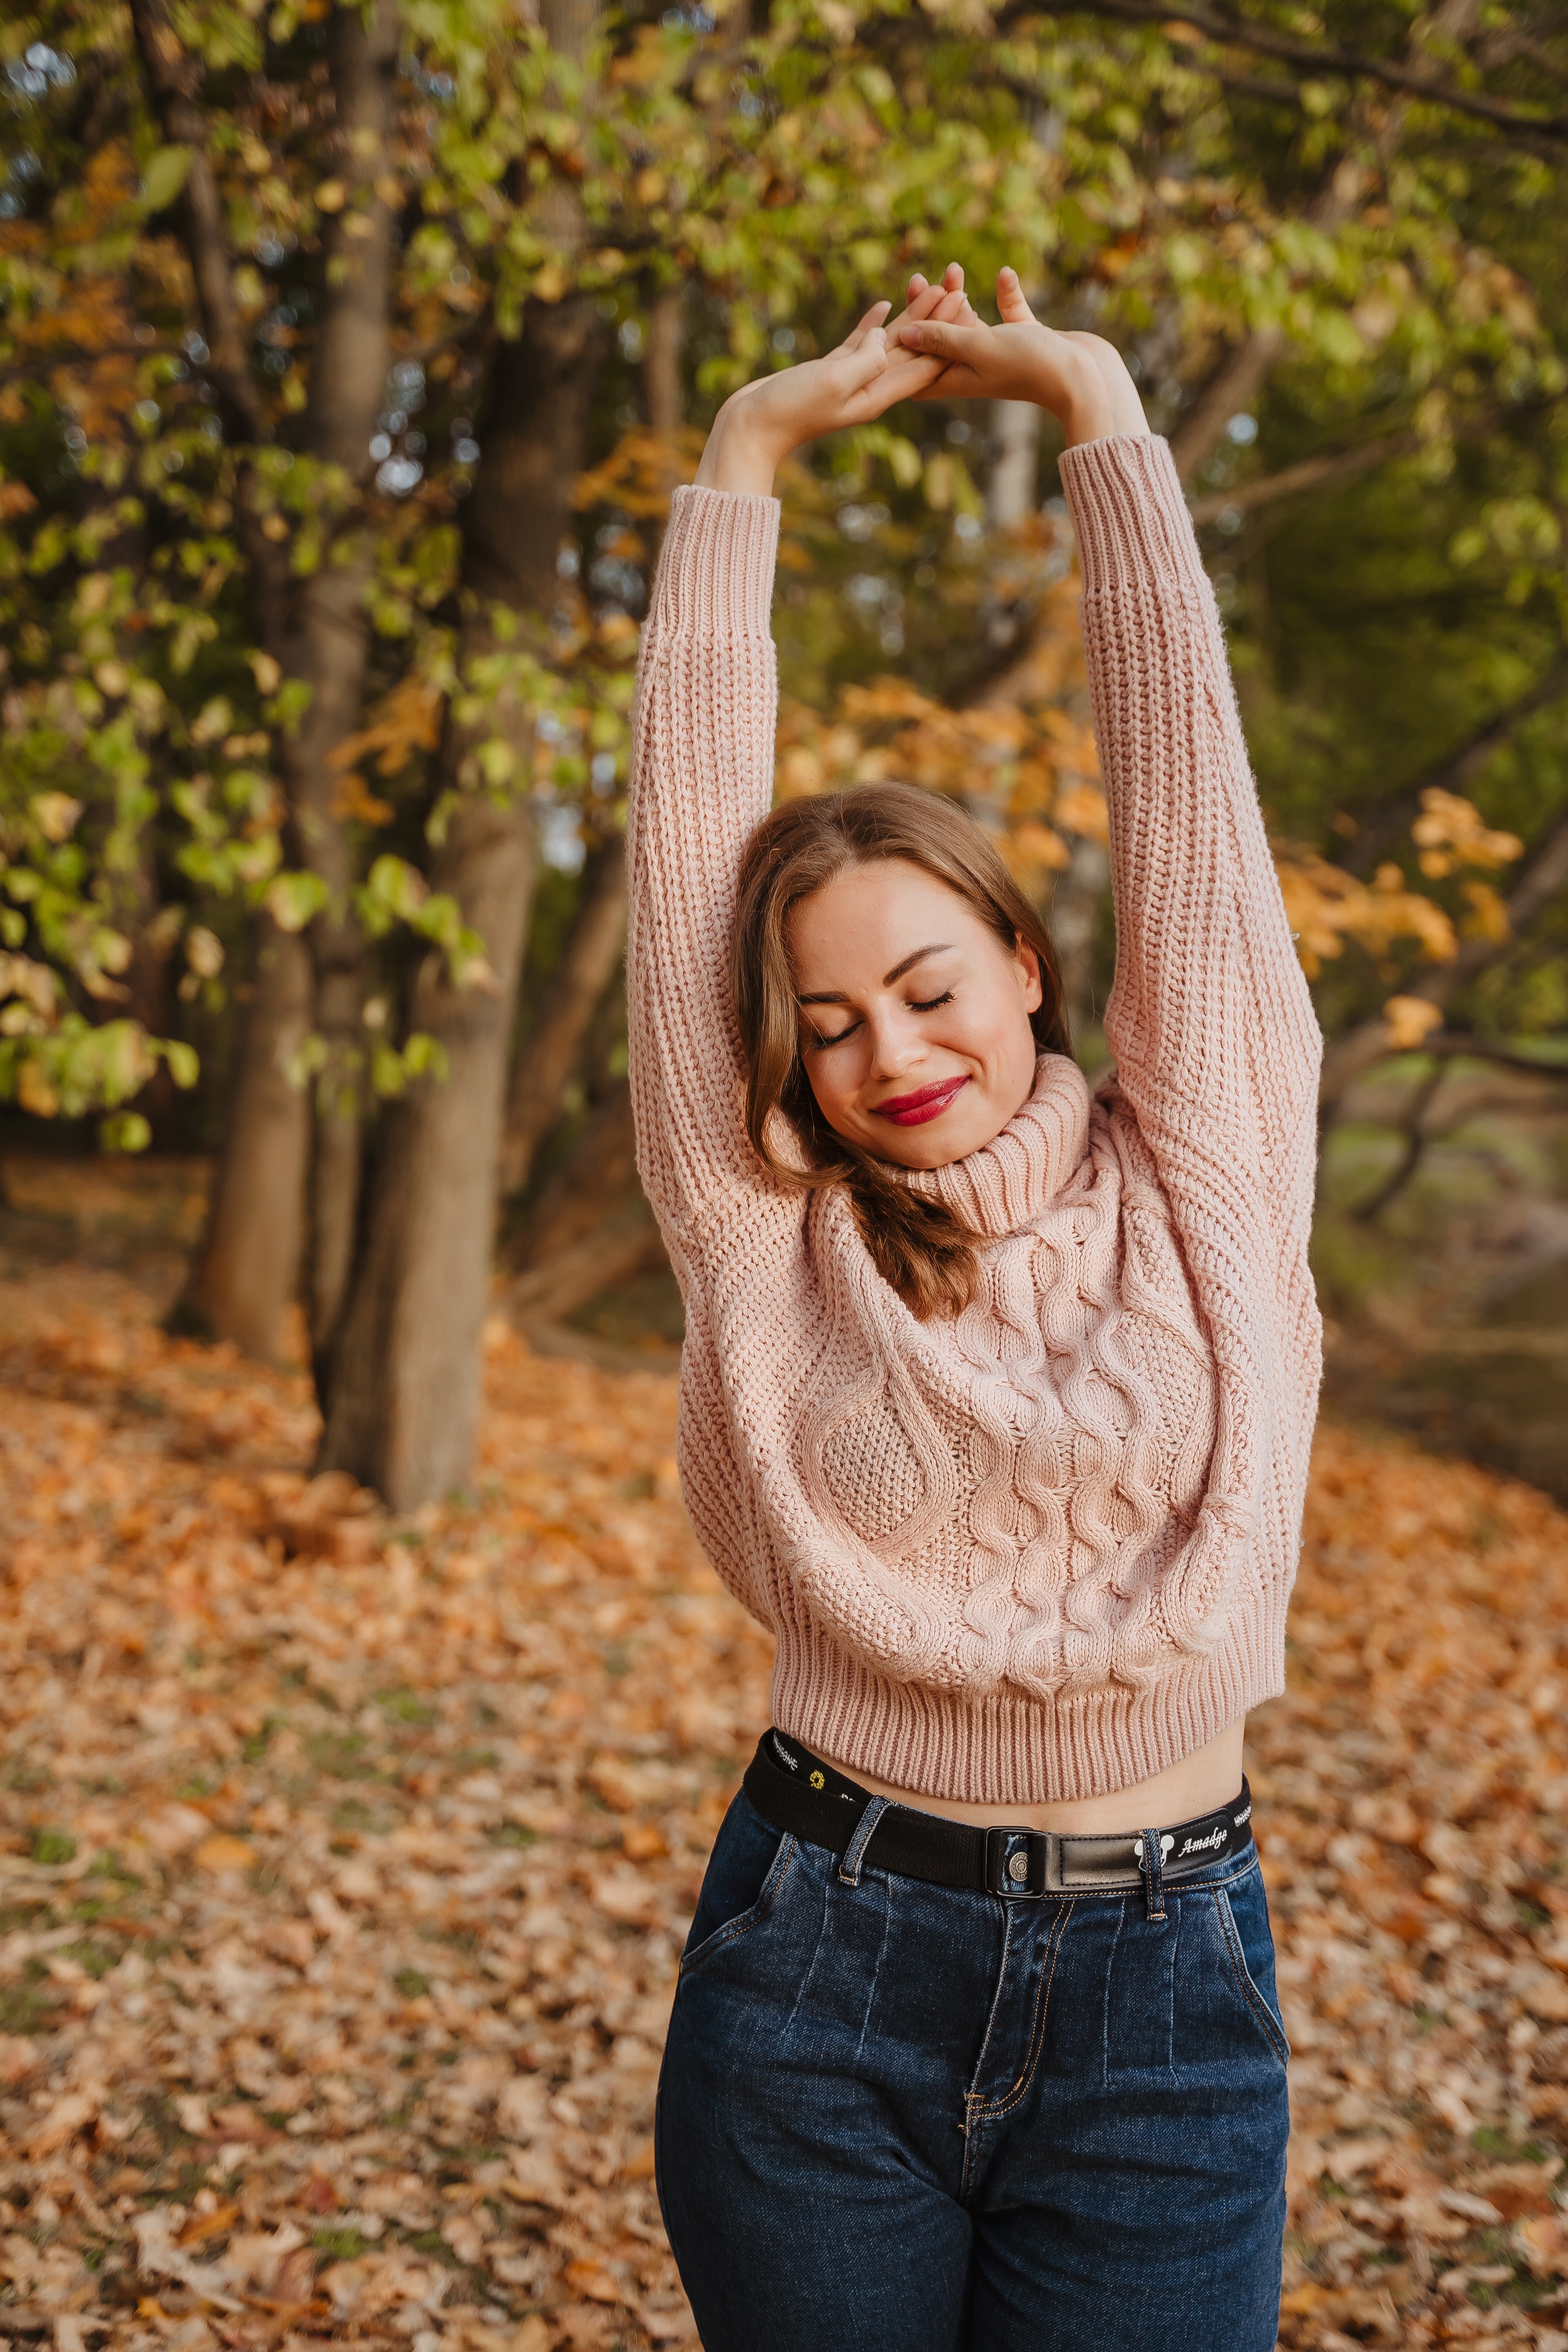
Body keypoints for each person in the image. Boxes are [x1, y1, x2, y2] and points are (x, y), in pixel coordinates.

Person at [627, 262, 1321, 2352]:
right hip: (819, 1969)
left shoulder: (1200, 1162)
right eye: (827, 1022)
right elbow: (682, 868)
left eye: (930, 987)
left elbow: (1192, 820)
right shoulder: (770, 1232)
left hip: (1169, 2000)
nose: (889, 1049)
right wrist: (743, 459)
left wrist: (1103, 416)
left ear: (1033, 966)